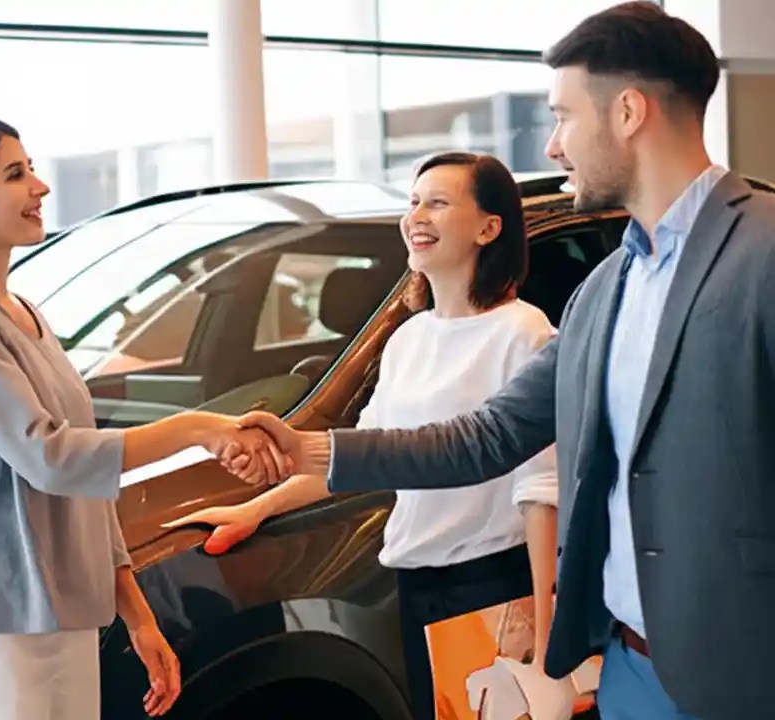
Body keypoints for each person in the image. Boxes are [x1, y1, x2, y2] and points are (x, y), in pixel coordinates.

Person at [220, 3, 775, 718]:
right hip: (628, 668)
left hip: (745, 672)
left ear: (629, 112)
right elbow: (484, 438)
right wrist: (306, 449)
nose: (552, 146)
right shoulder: (606, 290)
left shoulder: (762, 253)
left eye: (564, 117)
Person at [0, 117, 288, 720]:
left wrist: (137, 615)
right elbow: (51, 457)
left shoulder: (24, 311)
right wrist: (197, 428)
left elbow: (84, 485)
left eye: (32, 170)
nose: (40, 187)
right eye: (16, 174)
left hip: (64, 614)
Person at [166, 152, 567, 720]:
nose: (417, 216)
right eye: (413, 202)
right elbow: (369, 452)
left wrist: (548, 636)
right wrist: (255, 510)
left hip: (494, 587)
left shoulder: (523, 333)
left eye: (438, 202)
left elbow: (541, 493)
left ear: (489, 227)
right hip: (419, 588)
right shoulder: (411, 337)